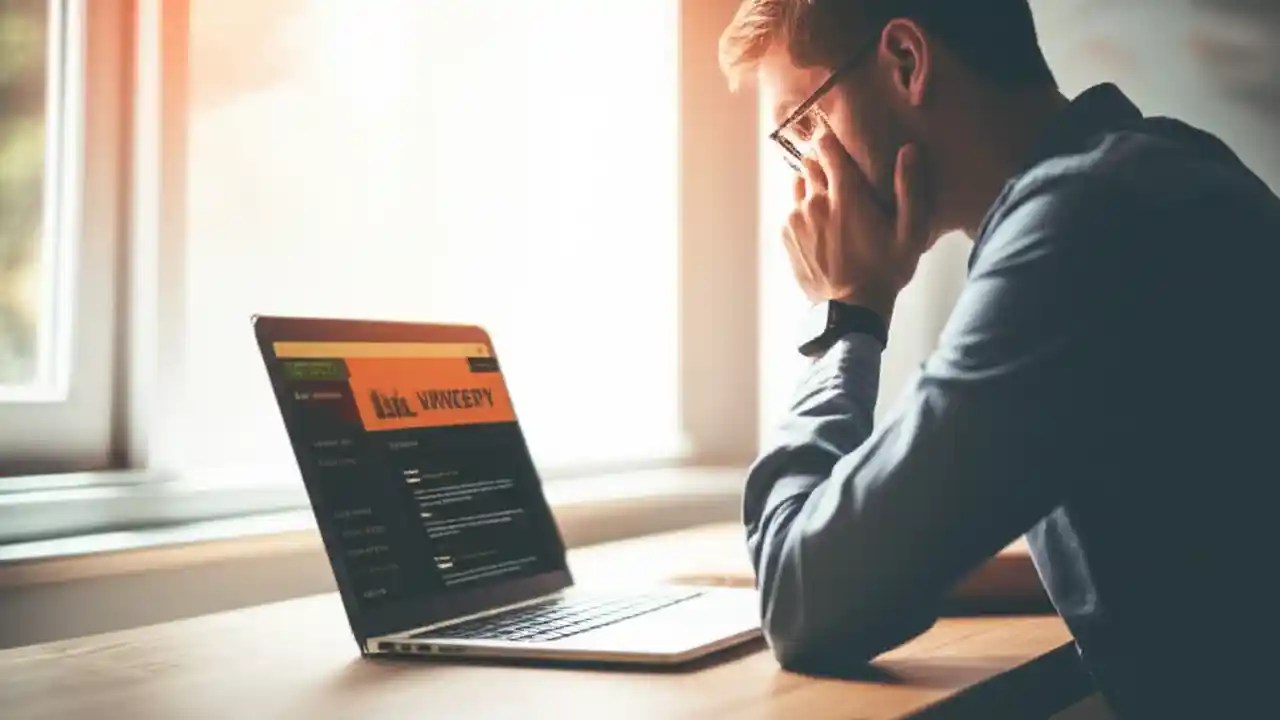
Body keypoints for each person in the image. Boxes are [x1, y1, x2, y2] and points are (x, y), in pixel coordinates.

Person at [718, 1, 1280, 716]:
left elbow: (800, 600)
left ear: (905, 63)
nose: (806, 184)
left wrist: (846, 316)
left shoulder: (1079, 229)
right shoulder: (1154, 171)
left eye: (805, 124)